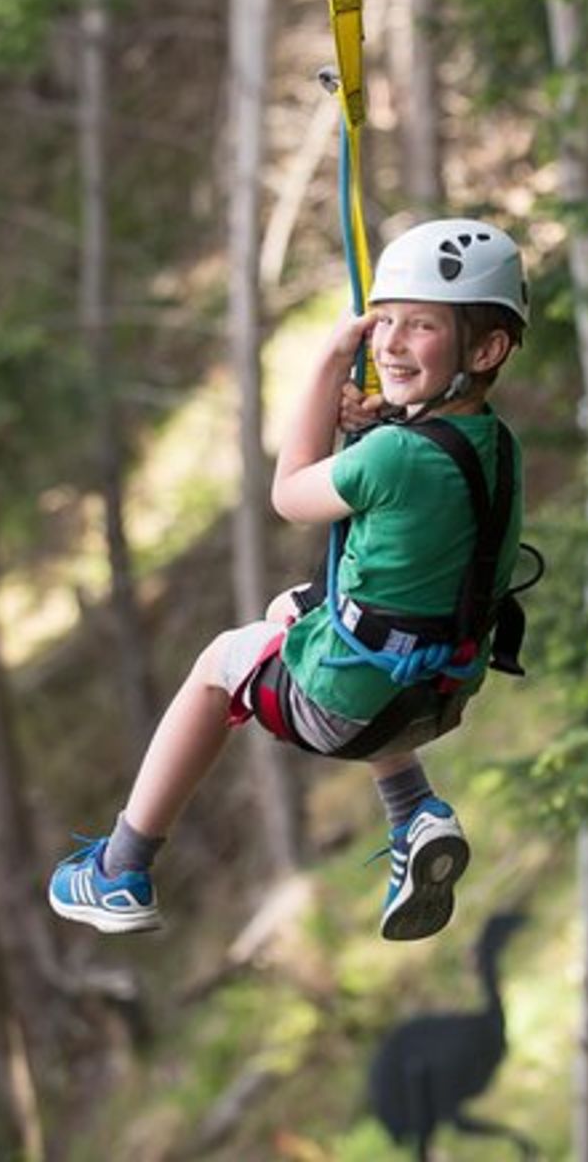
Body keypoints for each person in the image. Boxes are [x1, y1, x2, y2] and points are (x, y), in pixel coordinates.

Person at [47, 218, 529, 941]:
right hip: (442, 688)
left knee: (217, 666)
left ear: (486, 348)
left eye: (421, 326)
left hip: (352, 702)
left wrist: (331, 364)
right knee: (287, 610)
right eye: (385, 322)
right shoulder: (492, 445)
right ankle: (412, 811)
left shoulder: (394, 456)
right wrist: (375, 427)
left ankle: (123, 865)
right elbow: (415, 503)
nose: (392, 342)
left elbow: (292, 492)